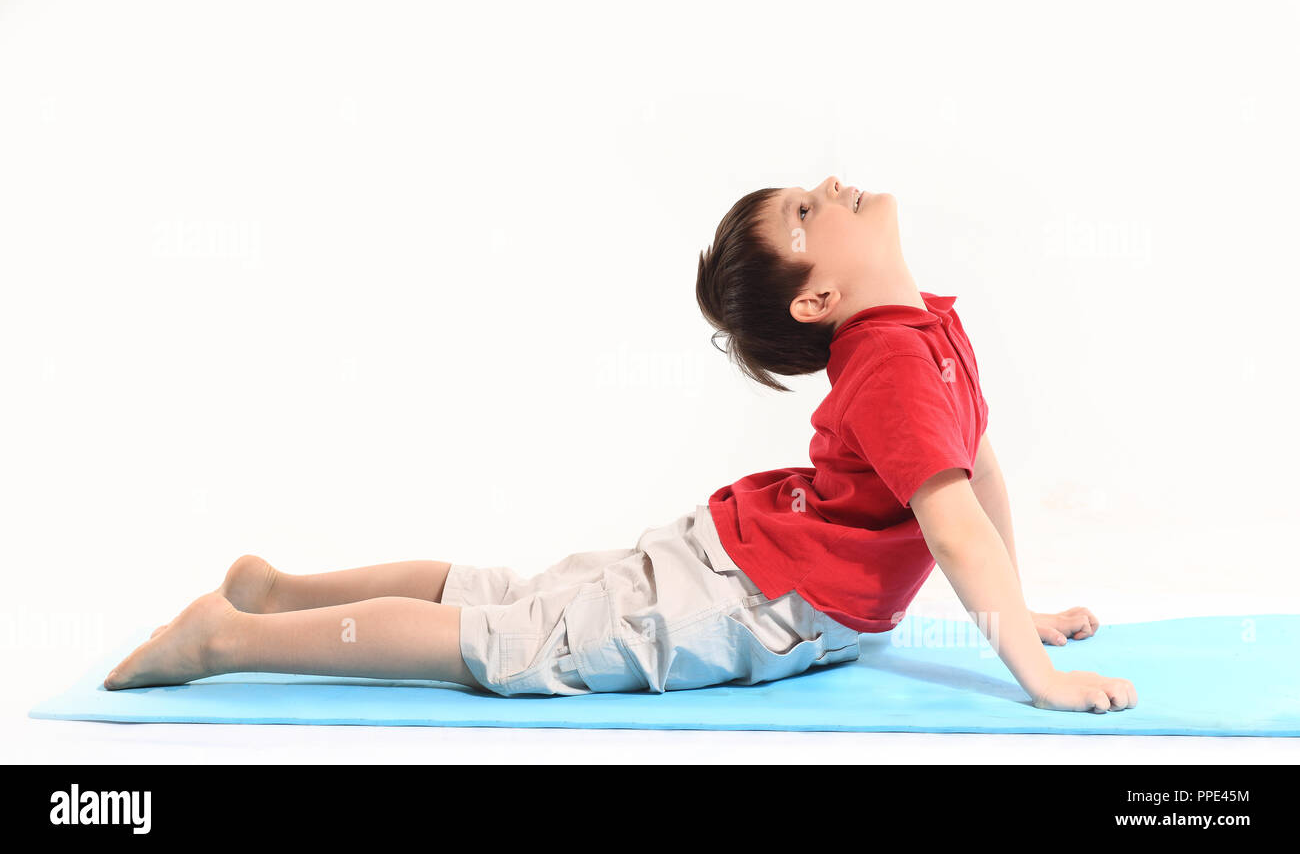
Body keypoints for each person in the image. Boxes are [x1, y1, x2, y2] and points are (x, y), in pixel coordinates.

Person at [104, 175, 1136, 714]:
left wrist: (1024, 611)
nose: (829, 185)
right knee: (511, 645)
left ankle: (279, 590)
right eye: (806, 211)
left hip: (744, 559)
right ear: (820, 295)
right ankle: (231, 637)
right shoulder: (898, 363)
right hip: (749, 598)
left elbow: (980, 469)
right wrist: (1031, 676)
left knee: (511, 592)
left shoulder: (927, 330)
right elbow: (952, 529)